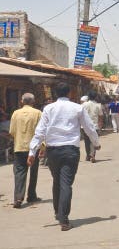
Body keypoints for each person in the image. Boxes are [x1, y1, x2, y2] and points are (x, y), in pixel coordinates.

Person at [28, 81, 100, 231]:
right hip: (70, 150)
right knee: (66, 183)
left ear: (55, 94)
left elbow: (40, 131)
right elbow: (89, 127)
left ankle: (58, 212)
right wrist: (96, 143)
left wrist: (32, 151)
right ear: (70, 93)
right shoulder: (77, 108)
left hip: (53, 151)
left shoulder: (49, 108)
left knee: (57, 181)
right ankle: (64, 219)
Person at [10, 93, 42, 208]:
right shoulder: (38, 113)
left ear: (21, 101)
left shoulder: (15, 113)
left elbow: (12, 131)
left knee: (19, 173)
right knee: (33, 172)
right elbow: (41, 132)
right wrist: (43, 147)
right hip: (34, 148)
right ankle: (31, 195)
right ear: (33, 102)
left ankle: (18, 198)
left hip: (19, 147)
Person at [82, 91, 104, 163]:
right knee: (93, 141)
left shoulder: (84, 105)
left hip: (84, 126)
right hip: (95, 126)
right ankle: (92, 155)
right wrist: (100, 126)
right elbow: (100, 117)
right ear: (96, 97)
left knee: (87, 141)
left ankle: (88, 155)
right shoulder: (98, 105)